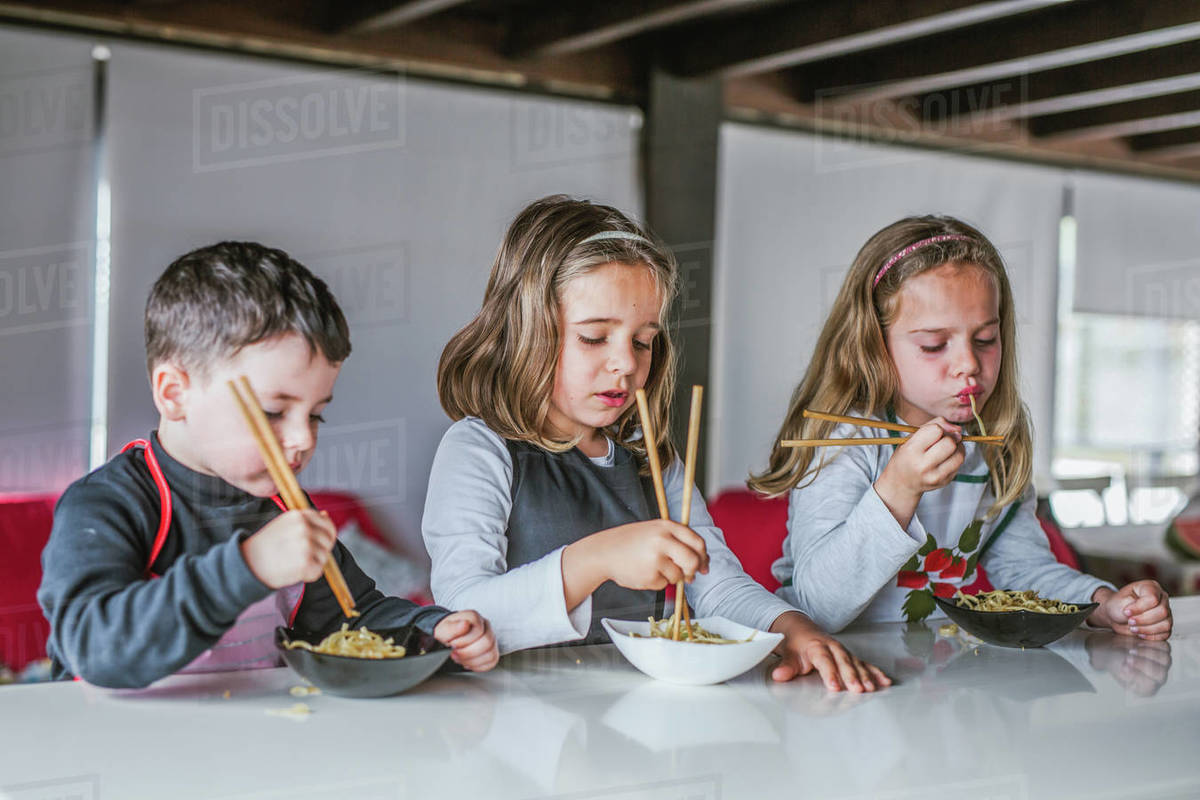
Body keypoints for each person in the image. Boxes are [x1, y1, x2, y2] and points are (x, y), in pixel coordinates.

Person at [423, 196, 890, 692]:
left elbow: (718, 587)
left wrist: (792, 630)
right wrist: (597, 559)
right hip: (509, 725)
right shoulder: (477, 450)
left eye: (642, 341)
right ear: (525, 331)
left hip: (634, 720)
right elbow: (460, 615)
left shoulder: (652, 460)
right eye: (594, 337)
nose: (626, 363)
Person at [39, 242, 498, 688]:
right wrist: (249, 567)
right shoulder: (106, 504)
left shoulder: (284, 511)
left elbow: (355, 616)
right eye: (273, 412)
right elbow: (93, 646)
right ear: (174, 393)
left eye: (316, 413)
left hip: (252, 755)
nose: (302, 438)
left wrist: (433, 632)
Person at [751, 216, 1172, 639]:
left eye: (985, 339)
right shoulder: (845, 441)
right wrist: (899, 488)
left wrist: (1098, 602)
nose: (969, 364)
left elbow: (1022, 569)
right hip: (825, 671)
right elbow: (817, 606)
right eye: (934, 345)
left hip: (925, 674)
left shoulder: (992, 443)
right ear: (874, 346)